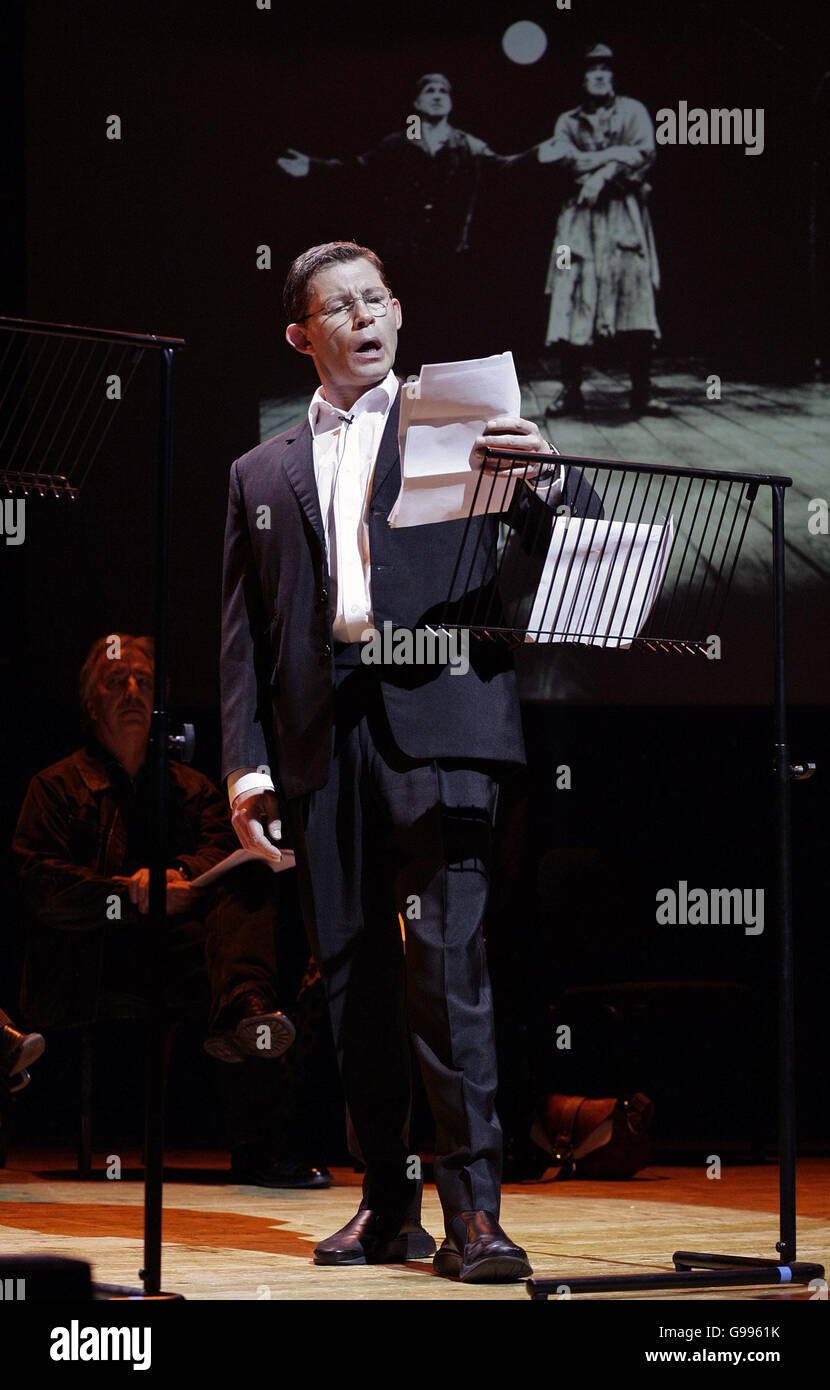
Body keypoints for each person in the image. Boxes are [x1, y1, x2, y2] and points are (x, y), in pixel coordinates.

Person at [221, 239, 599, 1281]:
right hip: (320, 744)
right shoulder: (260, 469)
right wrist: (247, 769)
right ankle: (387, 1204)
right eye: (338, 307)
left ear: (397, 309)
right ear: (303, 336)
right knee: (350, 984)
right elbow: (245, 632)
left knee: (448, 977)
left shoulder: (461, 424)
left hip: (440, 732)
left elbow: (571, 532)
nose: (365, 316)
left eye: (376, 296)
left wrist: (549, 475)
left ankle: (475, 1212)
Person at [12, 633, 330, 1189]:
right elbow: (38, 882)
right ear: (92, 703)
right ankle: (243, 1009)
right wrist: (126, 892)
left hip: (176, 955)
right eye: (116, 682)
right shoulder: (57, 786)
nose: (132, 691)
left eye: (143, 682)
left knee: (248, 882)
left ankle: (247, 1029)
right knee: (234, 972)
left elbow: (219, 846)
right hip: (91, 958)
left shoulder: (191, 787)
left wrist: (180, 874)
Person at [278, 74, 545, 361]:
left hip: (451, 254)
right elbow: (356, 170)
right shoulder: (399, 144)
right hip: (407, 256)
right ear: (417, 102)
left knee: (452, 326)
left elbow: (505, 167)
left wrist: (539, 154)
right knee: (411, 328)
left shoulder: (467, 144)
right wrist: (311, 168)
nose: (438, 95)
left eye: (444, 91)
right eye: (430, 90)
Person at [538, 44, 667, 418]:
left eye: (605, 69)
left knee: (635, 299)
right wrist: (610, 160)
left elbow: (644, 153)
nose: (598, 75)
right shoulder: (568, 121)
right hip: (579, 221)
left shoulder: (634, 112)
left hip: (623, 219)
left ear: (613, 76)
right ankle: (571, 390)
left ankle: (642, 390)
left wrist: (603, 174)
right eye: (591, 69)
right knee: (571, 295)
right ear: (582, 78)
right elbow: (561, 159)